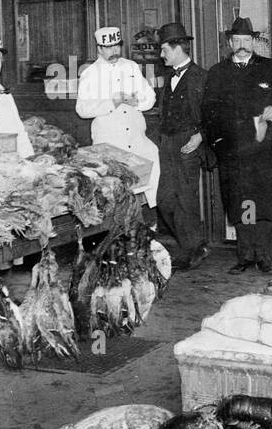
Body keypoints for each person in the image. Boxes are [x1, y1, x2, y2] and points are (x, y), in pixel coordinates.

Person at [202, 17, 272, 274]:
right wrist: (218, 142)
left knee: (264, 205)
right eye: (237, 40)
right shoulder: (218, 73)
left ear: (254, 41)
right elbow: (209, 110)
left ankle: (264, 257)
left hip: (265, 151)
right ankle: (246, 256)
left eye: (247, 40)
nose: (242, 45)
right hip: (235, 152)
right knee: (244, 204)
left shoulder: (270, 68)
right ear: (230, 42)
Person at [76, 26, 159, 206]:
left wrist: (138, 102)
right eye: (108, 47)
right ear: (99, 48)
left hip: (136, 139)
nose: (114, 51)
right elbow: (82, 109)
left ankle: (148, 228)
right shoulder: (89, 73)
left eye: (117, 46)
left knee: (148, 184)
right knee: (116, 195)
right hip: (110, 144)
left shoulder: (131, 67)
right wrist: (110, 103)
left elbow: (150, 96)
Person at [155, 21, 208, 271]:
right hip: (168, 144)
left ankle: (193, 250)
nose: (161, 54)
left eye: (165, 49)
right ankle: (194, 243)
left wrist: (200, 136)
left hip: (188, 141)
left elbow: (213, 113)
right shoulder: (170, 76)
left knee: (186, 199)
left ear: (178, 49)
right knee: (165, 200)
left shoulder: (200, 76)